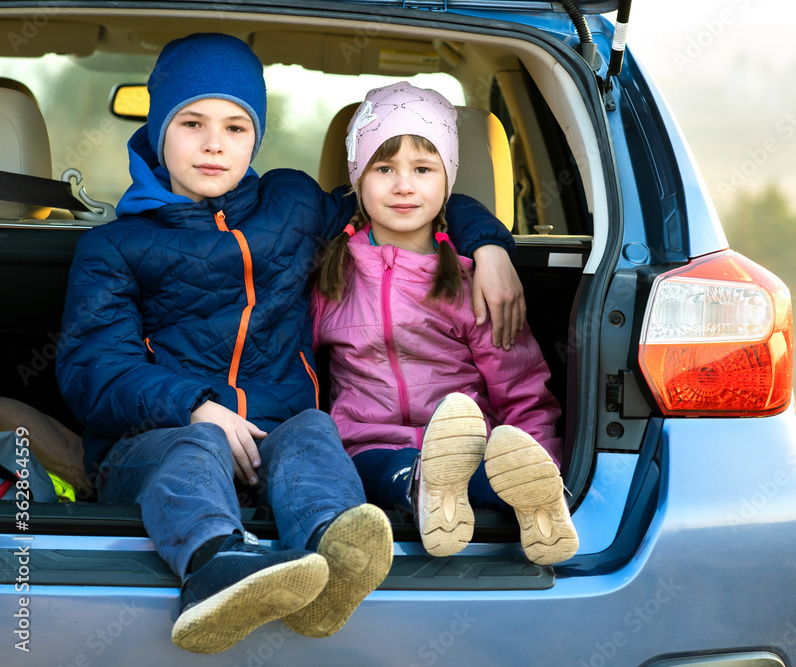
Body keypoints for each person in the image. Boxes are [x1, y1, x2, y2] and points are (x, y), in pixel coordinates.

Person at [55, 34, 525, 654]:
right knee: (195, 446)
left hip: (277, 433)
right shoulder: (112, 247)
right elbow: (94, 369)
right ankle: (215, 568)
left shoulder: (294, 204)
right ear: (159, 128)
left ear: (257, 136)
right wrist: (196, 405)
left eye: (236, 125)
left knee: (312, 430)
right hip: (155, 445)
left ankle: (335, 552)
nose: (215, 143)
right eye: (192, 122)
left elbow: (399, 204)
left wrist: (488, 243)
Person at [311, 82, 579, 566]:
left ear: (447, 180)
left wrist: (541, 455)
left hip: (471, 442)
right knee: (388, 469)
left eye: (422, 169)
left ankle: (533, 494)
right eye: (384, 168)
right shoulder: (330, 271)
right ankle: (431, 489)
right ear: (357, 177)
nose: (403, 186)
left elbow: (519, 385)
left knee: (492, 470)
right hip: (368, 445)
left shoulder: (472, 279)